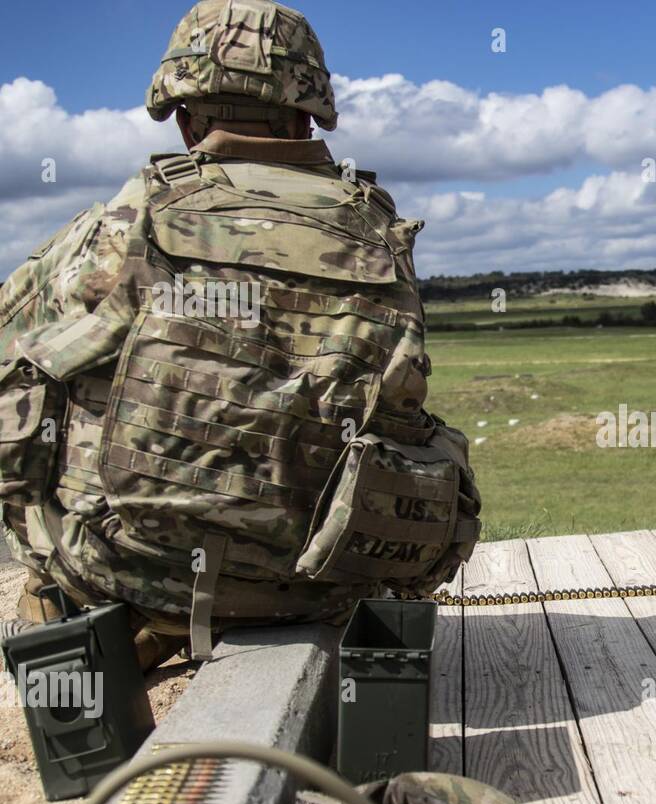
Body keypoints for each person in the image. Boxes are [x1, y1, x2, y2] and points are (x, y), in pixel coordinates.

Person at [0, 0, 479, 670]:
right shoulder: (380, 234)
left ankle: (112, 658)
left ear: (186, 115)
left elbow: (12, 361)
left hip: (125, 572)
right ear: (305, 114)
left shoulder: (125, 218)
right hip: (326, 585)